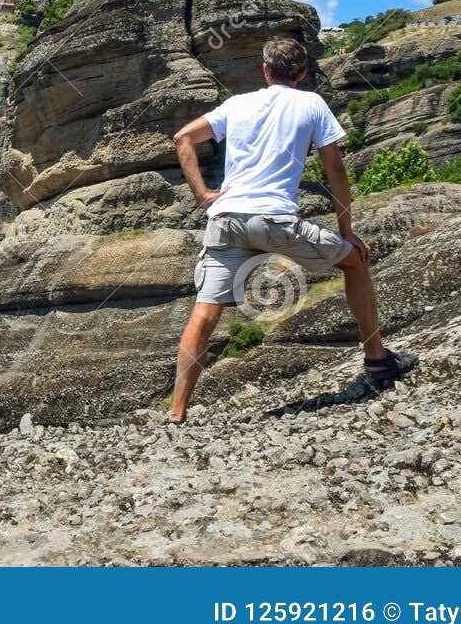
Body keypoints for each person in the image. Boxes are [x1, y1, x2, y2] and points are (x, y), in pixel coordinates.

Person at [165, 37, 417, 424]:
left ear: (265, 70)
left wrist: (203, 195)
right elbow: (336, 172)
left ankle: (177, 414)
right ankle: (377, 360)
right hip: (274, 220)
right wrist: (346, 231)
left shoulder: (237, 104)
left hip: (226, 220)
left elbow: (183, 137)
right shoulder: (312, 103)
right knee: (355, 263)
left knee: (204, 313)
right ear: (302, 73)